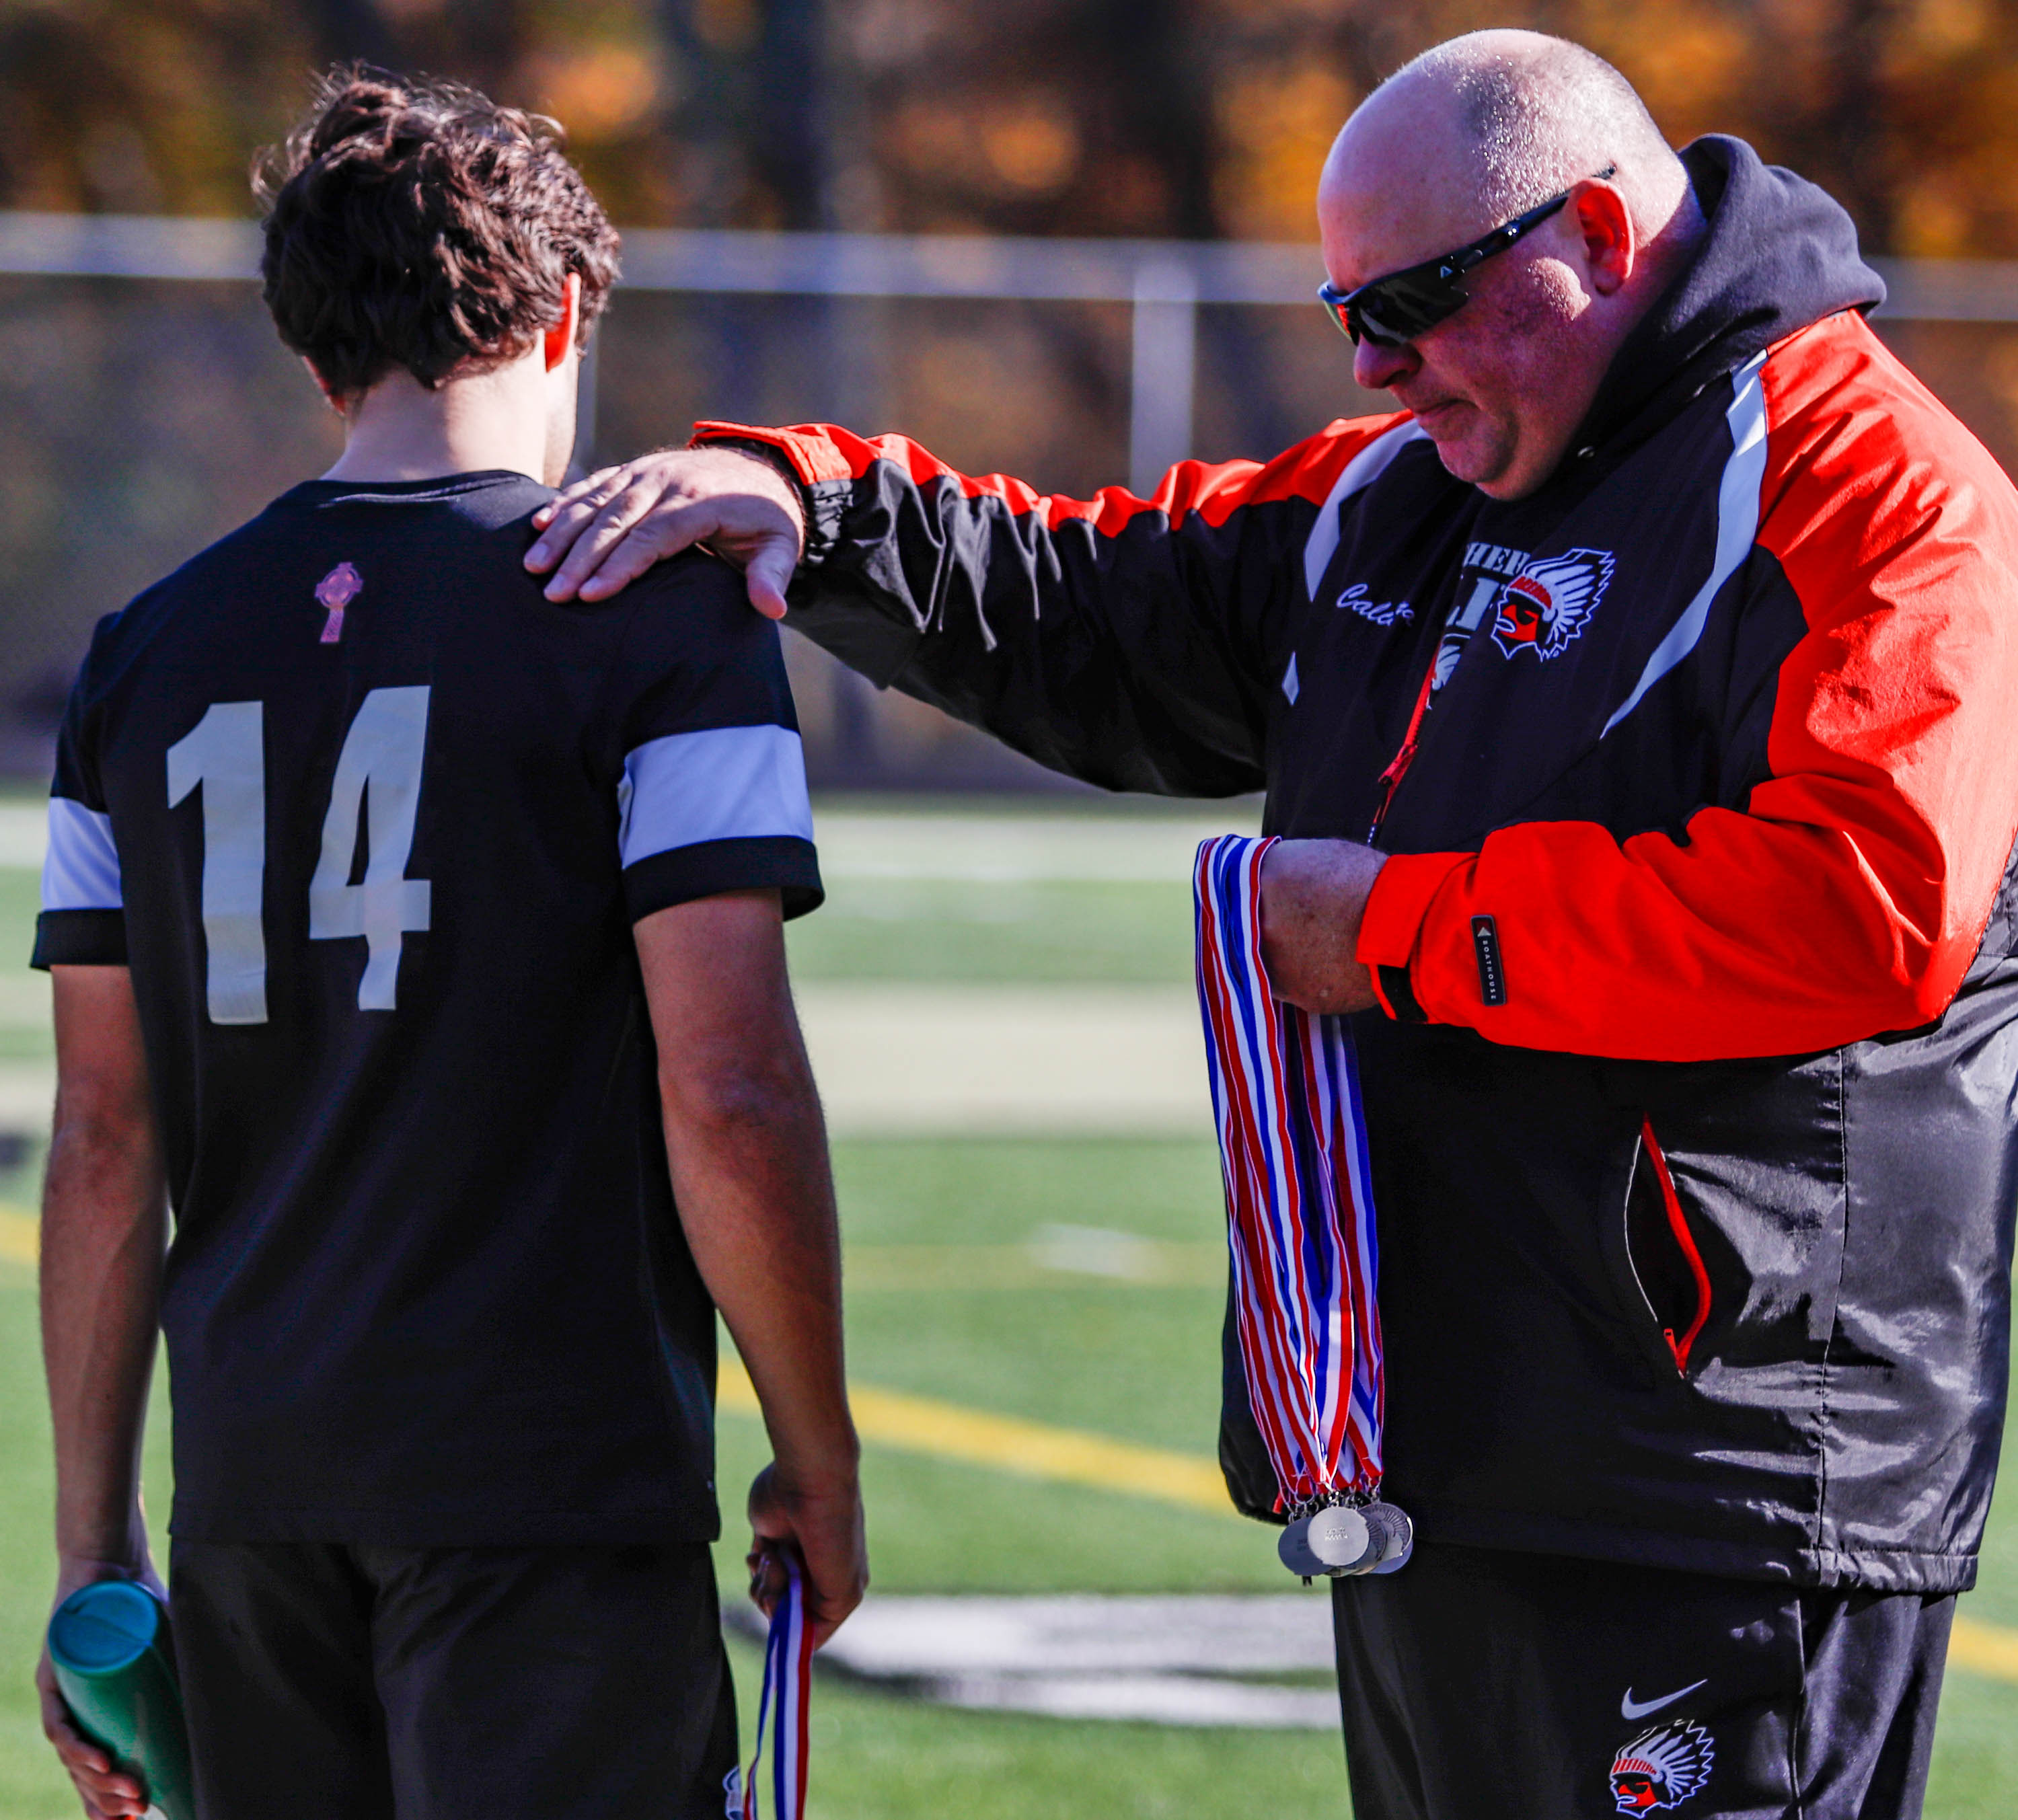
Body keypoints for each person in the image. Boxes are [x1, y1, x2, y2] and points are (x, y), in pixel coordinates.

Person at [523, 28, 2018, 1820]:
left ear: (1603, 239)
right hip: (1436, 1454)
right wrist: (823, 513)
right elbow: (1103, 598)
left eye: (1422, 302)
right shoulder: (1408, 486)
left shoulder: (1876, 492)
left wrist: (1392, 930)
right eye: (1349, 316)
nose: (1382, 365)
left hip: (1727, 1479)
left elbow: (1862, 904)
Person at [34, 69, 864, 1820]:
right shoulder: (655, 620)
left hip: (254, 1488)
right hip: (549, 1487)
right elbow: (727, 1081)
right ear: (566, 312)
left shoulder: (139, 656)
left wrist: (92, 1536)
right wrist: (817, 1442)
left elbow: (105, 1138)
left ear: (316, 350)